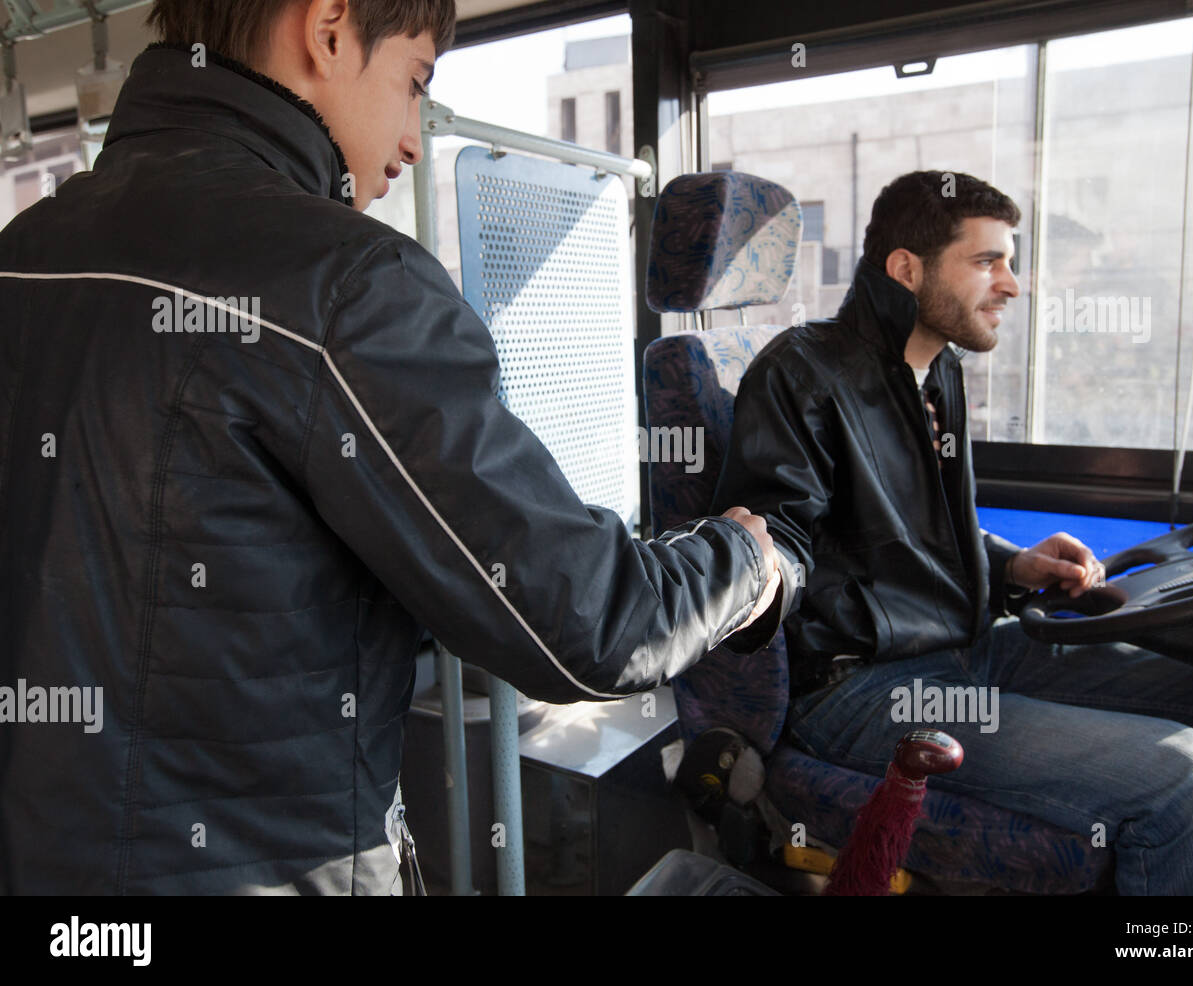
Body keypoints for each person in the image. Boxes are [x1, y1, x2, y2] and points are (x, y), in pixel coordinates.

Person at [0, 0, 780, 895]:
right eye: (414, 82)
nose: (413, 139)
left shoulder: (23, 251)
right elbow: (589, 627)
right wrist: (746, 560)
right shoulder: (347, 285)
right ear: (328, 26)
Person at [711, 170, 1193, 895]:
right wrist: (760, 573)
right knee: (1182, 774)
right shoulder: (800, 373)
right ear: (906, 269)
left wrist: (1014, 568)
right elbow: (787, 544)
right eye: (988, 262)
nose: (1012, 286)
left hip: (966, 649)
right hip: (864, 687)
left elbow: (905, 539)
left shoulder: (937, 373)